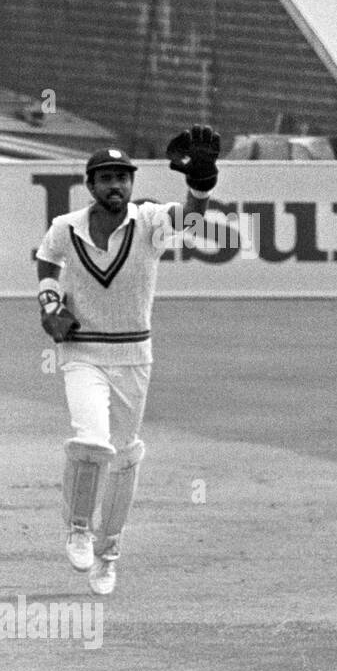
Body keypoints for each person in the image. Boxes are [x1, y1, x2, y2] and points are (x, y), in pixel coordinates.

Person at [36, 127, 221, 595]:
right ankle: (79, 526)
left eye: (123, 177)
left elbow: (193, 223)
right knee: (92, 441)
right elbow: (47, 259)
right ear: (91, 184)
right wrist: (50, 305)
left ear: (132, 183)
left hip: (134, 355)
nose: (116, 186)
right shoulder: (67, 226)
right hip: (83, 353)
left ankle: (109, 550)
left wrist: (200, 186)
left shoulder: (149, 221)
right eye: (106, 178)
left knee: (123, 457)